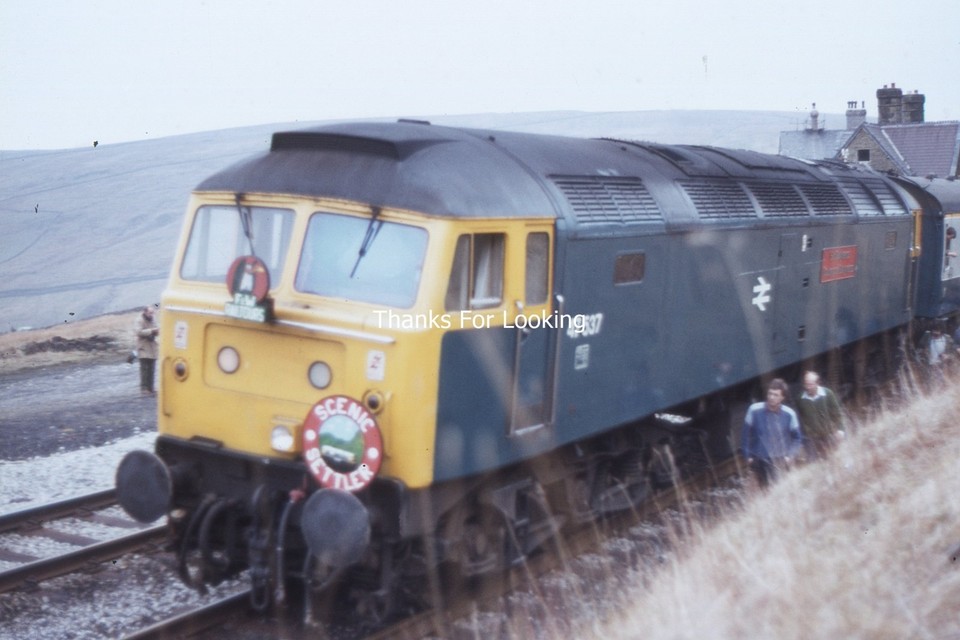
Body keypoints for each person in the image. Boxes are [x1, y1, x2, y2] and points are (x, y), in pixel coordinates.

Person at [741, 378, 802, 488]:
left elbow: (797, 438)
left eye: (776, 395)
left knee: (779, 489)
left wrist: (790, 455)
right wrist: (747, 456)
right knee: (763, 490)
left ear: (782, 397)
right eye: (770, 393)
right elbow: (745, 434)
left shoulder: (789, 414)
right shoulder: (754, 410)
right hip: (758, 459)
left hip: (780, 459)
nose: (771, 397)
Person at [796, 371, 844, 460]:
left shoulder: (828, 394)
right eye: (806, 384)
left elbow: (837, 414)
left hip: (828, 434)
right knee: (813, 463)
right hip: (811, 439)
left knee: (832, 459)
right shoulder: (800, 398)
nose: (807, 387)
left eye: (810, 385)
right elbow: (799, 419)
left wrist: (840, 430)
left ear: (817, 383)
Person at [134, 305, 159, 395]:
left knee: (151, 368)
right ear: (145, 312)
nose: (151, 314)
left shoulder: (153, 319)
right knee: (144, 369)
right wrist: (151, 331)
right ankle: (144, 388)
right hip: (143, 347)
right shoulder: (139, 320)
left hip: (152, 347)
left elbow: (157, 329)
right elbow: (138, 332)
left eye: (152, 313)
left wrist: (156, 332)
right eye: (150, 313)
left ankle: (151, 388)